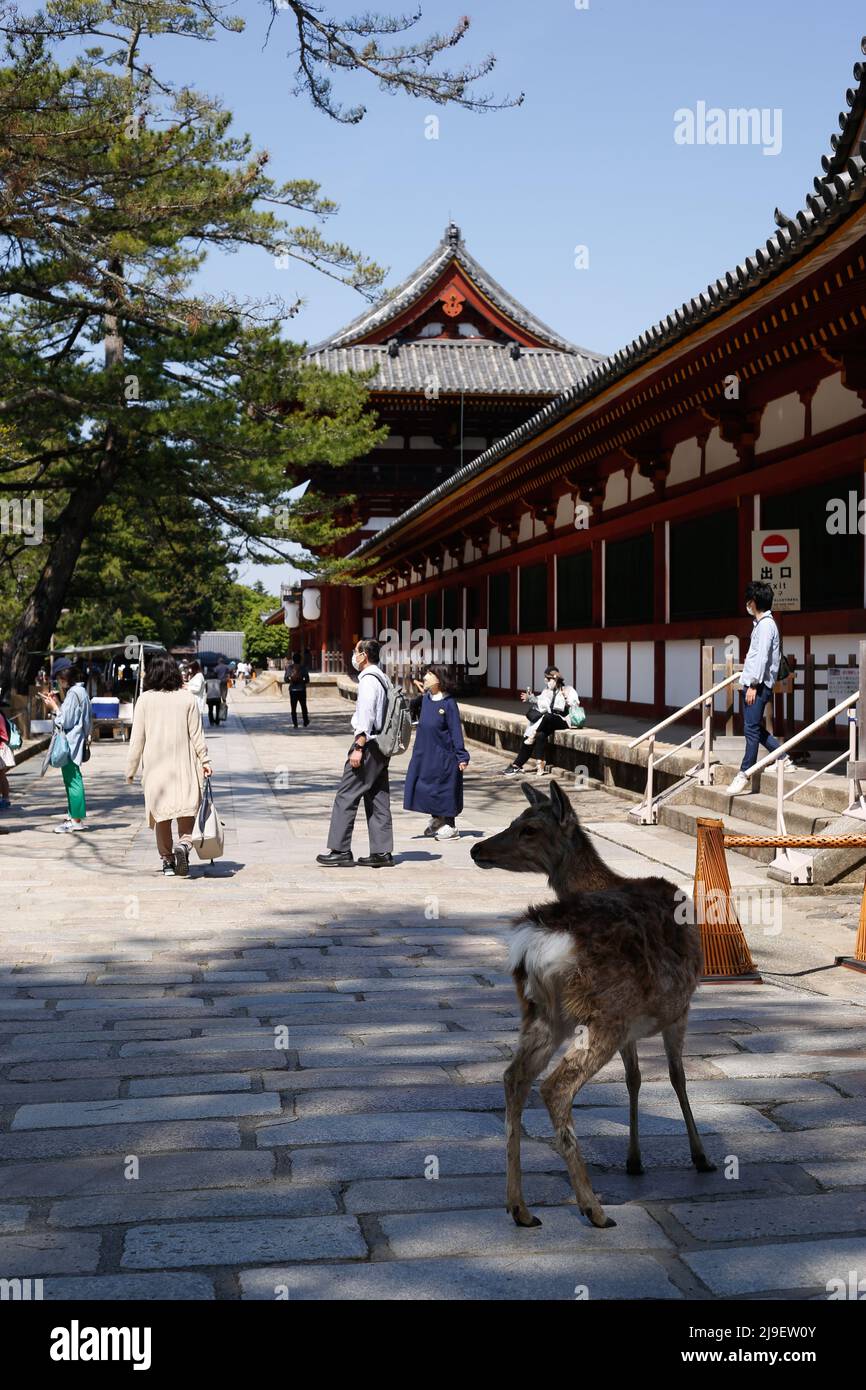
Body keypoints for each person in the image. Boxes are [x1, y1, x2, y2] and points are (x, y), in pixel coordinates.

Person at [126, 653, 213, 876]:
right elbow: (197, 735)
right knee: (186, 810)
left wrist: (131, 770)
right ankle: (184, 844)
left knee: (162, 815)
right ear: (175, 671)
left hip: (157, 770)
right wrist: (205, 760)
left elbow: (137, 739)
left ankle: (167, 861)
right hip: (184, 766)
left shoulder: (144, 700)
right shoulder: (187, 699)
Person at [317, 638, 394, 868]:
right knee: (378, 797)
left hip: (368, 745)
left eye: (356, 651)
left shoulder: (369, 681)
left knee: (346, 795)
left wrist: (358, 746)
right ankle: (382, 851)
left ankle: (340, 849)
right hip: (381, 745)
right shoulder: (383, 677)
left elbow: (366, 716)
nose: (354, 655)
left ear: (364, 656)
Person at [728, 581, 796, 795]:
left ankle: (745, 772)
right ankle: (783, 757)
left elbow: (764, 657)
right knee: (754, 727)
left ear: (754, 602)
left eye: (749, 601)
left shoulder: (766, 625)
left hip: (757, 685)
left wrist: (753, 685)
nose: (747, 605)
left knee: (750, 729)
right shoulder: (761, 624)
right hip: (752, 682)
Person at [403, 664, 469, 839]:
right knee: (425, 787)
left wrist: (461, 755)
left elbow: (456, 731)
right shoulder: (425, 700)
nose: (425, 678)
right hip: (425, 753)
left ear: (440, 679)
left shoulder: (448, 703)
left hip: (444, 755)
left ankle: (450, 824)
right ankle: (437, 819)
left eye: (429, 674)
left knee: (445, 788)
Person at [38, 663, 92, 833]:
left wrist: (53, 707)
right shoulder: (80, 692)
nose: (59, 682)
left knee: (73, 781)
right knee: (72, 780)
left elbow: (65, 720)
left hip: (70, 743)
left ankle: (76, 819)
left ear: (64, 677)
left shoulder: (74, 693)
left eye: (59, 679)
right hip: (76, 741)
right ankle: (72, 816)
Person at [503, 667, 581, 777]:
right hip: (547, 722)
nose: (547, 682)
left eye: (548, 680)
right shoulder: (546, 691)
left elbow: (575, 703)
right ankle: (526, 764)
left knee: (544, 721)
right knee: (540, 735)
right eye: (546, 680)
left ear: (555, 679)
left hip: (562, 720)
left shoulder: (567, 689)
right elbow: (541, 701)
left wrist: (566, 699)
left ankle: (533, 735)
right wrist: (530, 698)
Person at [285, 650, 310, 728]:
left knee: (293, 707)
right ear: (300, 660)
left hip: (292, 690)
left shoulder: (290, 667)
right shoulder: (303, 668)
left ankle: (295, 724)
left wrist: (291, 681)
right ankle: (305, 721)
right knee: (303, 706)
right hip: (302, 689)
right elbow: (307, 680)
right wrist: (301, 681)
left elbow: (286, 679)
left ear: (293, 659)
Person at [0, 702, 15, 810]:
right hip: (2, 748)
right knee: (1, 776)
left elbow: (3, 735)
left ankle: (5, 799)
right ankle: (5, 799)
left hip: (1, 748)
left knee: (1, 776)